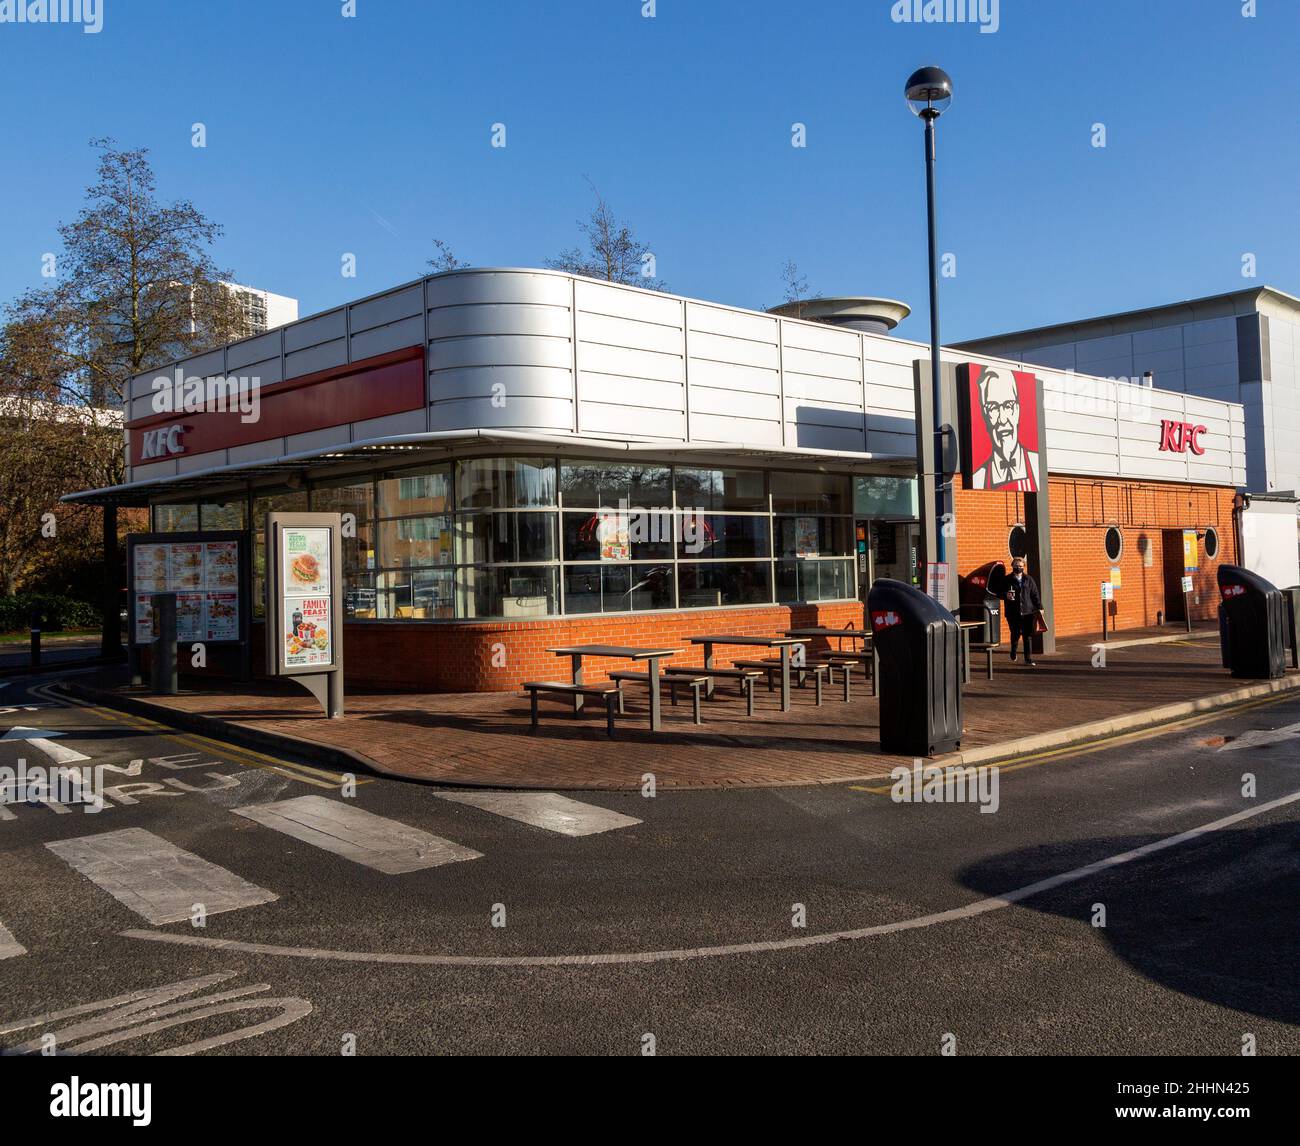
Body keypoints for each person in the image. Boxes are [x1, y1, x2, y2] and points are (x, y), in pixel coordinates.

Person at [972, 366, 1041, 491]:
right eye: (993, 407)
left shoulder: (1037, 466)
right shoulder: (978, 478)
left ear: (1017, 410)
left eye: (1008, 406)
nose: (1002, 420)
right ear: (985, 415)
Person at [1002, 556, 1042, 666]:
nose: (1018, 568)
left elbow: (1034, 594)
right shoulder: (1007, 579)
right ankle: (1013, 650)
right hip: (1012, 612)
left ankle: (1028, 659)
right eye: (1016, 566)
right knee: (1015, 634)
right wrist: (1006, 595)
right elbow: (999, 593)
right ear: (1012, 566)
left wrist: (1040, 607)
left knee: (1027, 636)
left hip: (1027, 611)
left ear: (1024, 567)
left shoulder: (1028, 579)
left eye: (1020, 566)